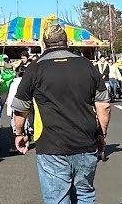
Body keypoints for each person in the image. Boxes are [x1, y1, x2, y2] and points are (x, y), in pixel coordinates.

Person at [12, 22, 110, 204]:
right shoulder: (87, 66)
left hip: (51, 144)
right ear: (67, 42)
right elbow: (103, 105)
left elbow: (21, 107)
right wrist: (102, 134)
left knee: (57, 199)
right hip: (86, 141)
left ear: (43, 44)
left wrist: (19, 133)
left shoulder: (35, 68)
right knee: (85, 194)